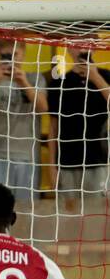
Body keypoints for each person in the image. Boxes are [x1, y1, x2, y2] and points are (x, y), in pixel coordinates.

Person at [47, 48, 110, 214]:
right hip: (67, 163)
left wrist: (95, 77)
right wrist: (51, 166)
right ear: (68, 47)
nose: (82, 48)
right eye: (77, 44)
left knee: (97, 218)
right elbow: (53, 127)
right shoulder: (58, 82)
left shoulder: (106, 76)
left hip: (98, 161)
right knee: (69, 219)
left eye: (87, 42)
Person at [0, 39, 46, 202]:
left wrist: (23, 82)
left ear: (23, 54)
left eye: (14, 54)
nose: (11, 60)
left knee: (26, 211)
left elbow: (43, 108)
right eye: (5, 55)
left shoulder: (34, 78)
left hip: (28, 155)